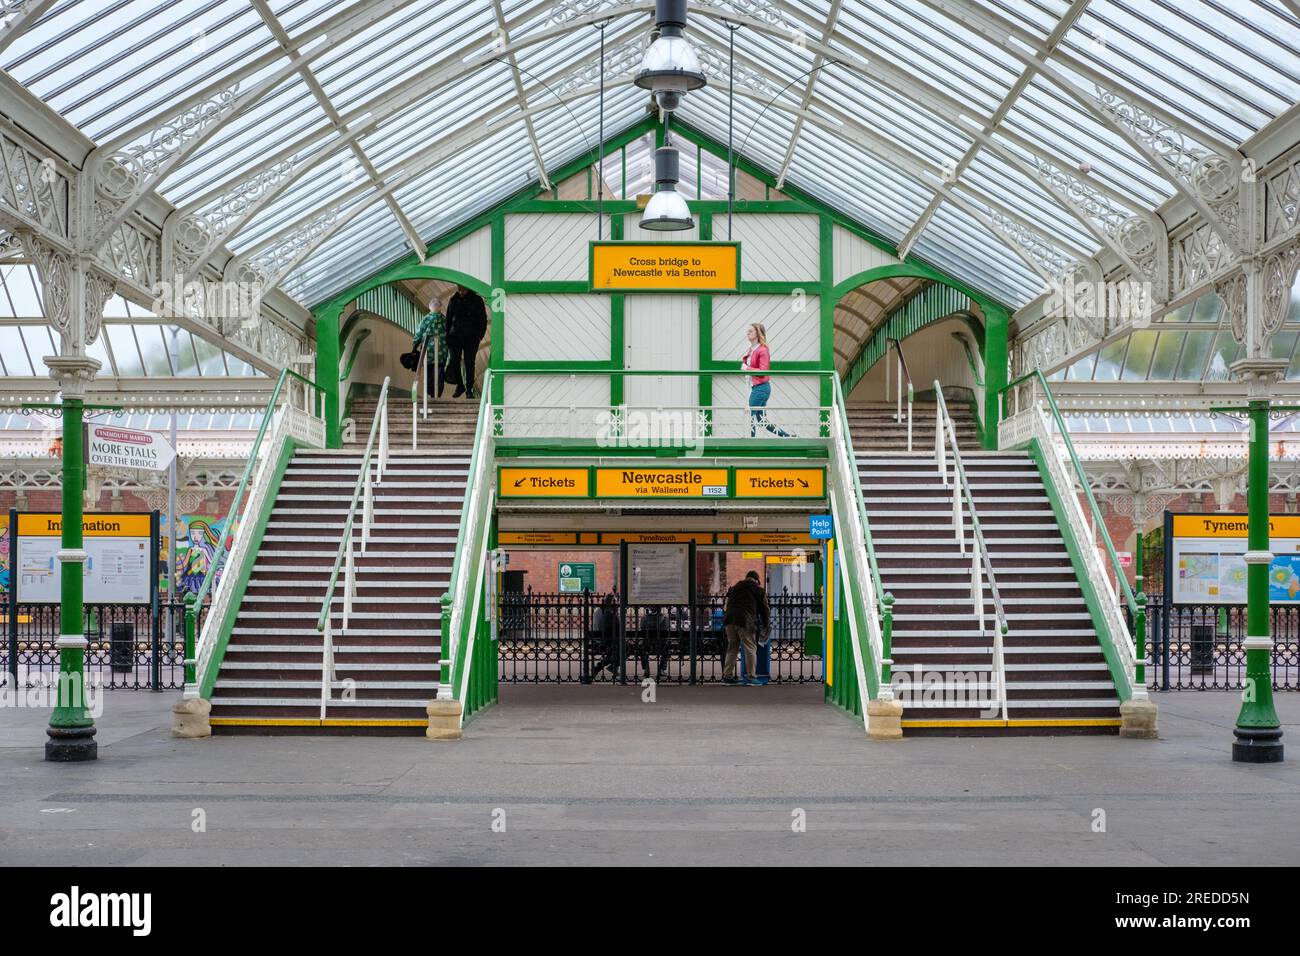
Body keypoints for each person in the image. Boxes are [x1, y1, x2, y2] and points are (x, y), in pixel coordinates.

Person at [742, 322, 791, 438]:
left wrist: (747, 368)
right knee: (761, 420)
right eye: (748, 331)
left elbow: (763, 371)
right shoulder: (751, 350)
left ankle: (750, 443)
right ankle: (786, 437)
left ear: (758, 334)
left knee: (750, 415)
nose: (747, 333)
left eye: (751, 331)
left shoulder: (762, 350)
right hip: (757, 387)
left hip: (761, 388)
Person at [722, 570, 769, 686]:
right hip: (745, 622)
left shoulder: (734, 588)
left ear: (746, 578)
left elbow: (725, 605)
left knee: (732, 647)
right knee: (750, 648)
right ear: (757, 580)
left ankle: (727, 676)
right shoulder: (759, 590)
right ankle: (751, 677)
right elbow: (765, 610)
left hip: (729, 621)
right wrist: (766, 625)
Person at [445, 284, 488, 399]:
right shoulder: (453, 300)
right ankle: (460, 386)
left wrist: (480, 336)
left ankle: (469, 388)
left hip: (471, 337)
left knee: (469, 363)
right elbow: (448, 319)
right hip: (455, 337)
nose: (461, 292)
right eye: (459, 289)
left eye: (463, 289)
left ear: (468, 288)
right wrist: (447, 337)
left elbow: (483, 319)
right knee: (454, 361)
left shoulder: (477, 300)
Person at [411, 306, 453, 398]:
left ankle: (430, 390)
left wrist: (414, 347)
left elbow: (419, 333)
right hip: (441, 352)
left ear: (430, 308)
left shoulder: (426, 319)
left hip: (427, 352)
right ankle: (437, 394)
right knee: (439, 373)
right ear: (440, 308)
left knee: (429, 373)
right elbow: (450, 335)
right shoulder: (444, 320)